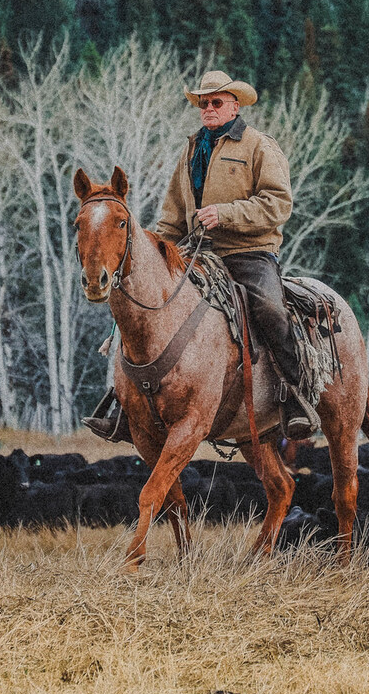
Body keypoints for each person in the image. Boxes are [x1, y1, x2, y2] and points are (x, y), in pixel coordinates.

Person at [85, 68, 316, 442]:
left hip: (249, 252)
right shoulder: (192, 148)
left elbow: (278, 204)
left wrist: (226, 214)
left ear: (234, 106)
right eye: (203, 103)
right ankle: (123, 403)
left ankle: (295, 396)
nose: (208, 108)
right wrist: (156, 252)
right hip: (196, 252)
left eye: (216, 102)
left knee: (270, 308)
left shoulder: (259, 146)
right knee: (139, 305)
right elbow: (173, 214)